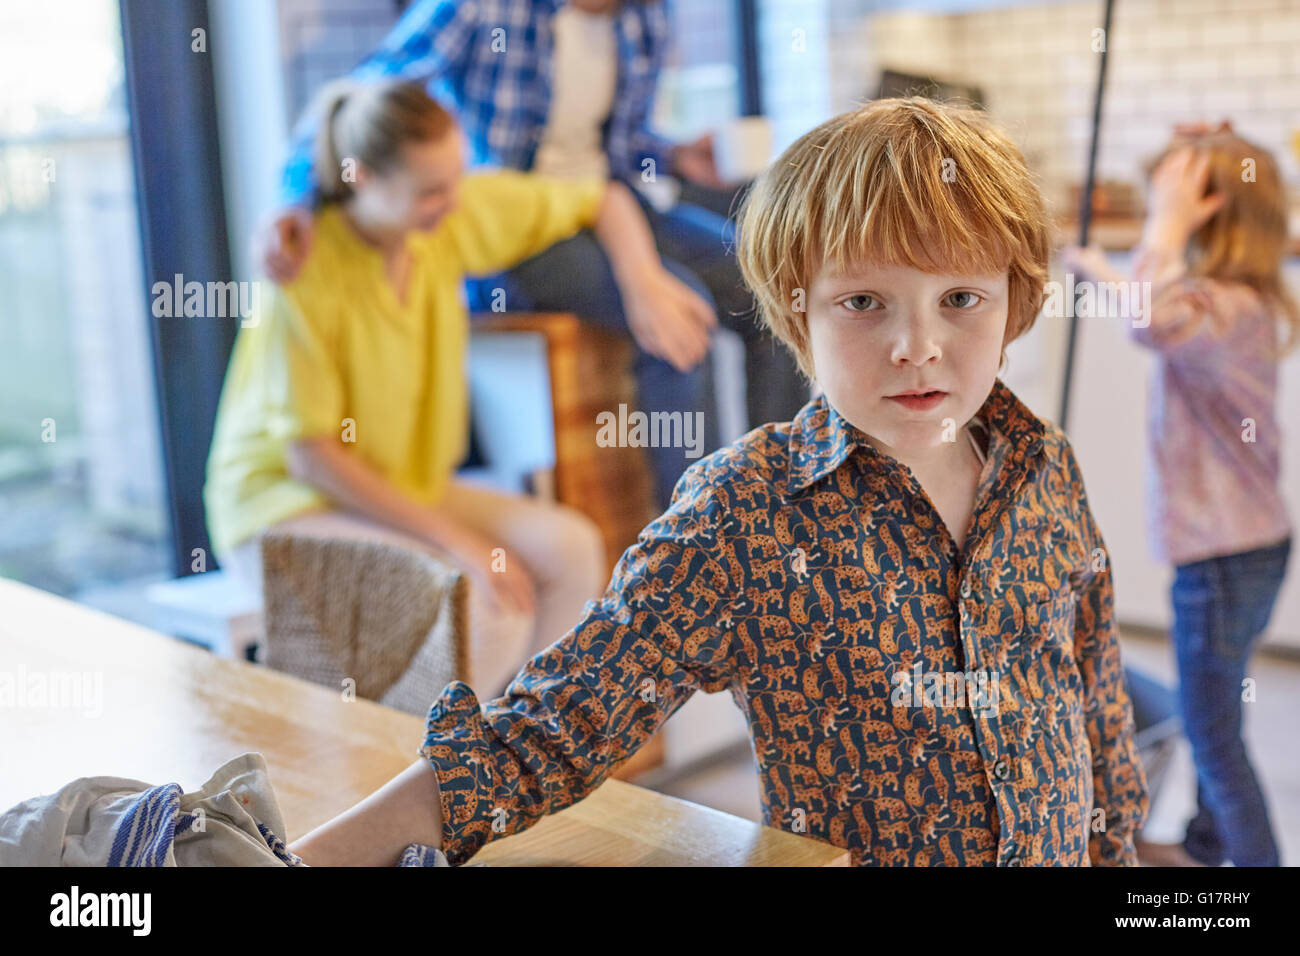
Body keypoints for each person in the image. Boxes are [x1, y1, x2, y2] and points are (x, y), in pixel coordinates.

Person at [286, 96, 1149, 867]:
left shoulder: (1044, 467)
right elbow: (551, 729)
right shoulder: (747, 513)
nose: (916, 346)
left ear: (1018, 299)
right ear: (796, 304)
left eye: (960, 298)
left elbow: (1094, 696)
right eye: (864, 302)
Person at [205, 79, 705, 699]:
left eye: (456, 179)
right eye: (429, 191)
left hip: (402, 482)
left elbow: (603, 199)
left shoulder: (447, 219)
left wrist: (642, 281)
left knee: (572, 547)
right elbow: (312, 455)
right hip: (285, 504)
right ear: (361, 178)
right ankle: (422, 782)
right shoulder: (303, 267)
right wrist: (461, 542)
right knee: (487, 600)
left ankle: (525, 761)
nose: (451, 201)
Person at [255, 0, 809, 509]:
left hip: (608, 203)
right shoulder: (480, 9)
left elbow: (615, 148)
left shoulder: (646, 16)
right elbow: (365, 95)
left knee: (772, 281)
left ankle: (789, 501)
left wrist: (674, 155)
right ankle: (698, 542)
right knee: (678, 317)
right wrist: (294, 199)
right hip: (518, 231)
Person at [1064, 122, 1298, 867]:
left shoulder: (1215, 308)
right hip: (1247, 545)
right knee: (1218, 710)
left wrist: (1164, 219)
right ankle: (1203, 849)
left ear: (1209, 214)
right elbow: (1147, 303)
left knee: (1212, 736)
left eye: (1179, 201)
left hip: (1221, 558)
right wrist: (1099, 267)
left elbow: (1148, 318)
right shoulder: (1239, 300)